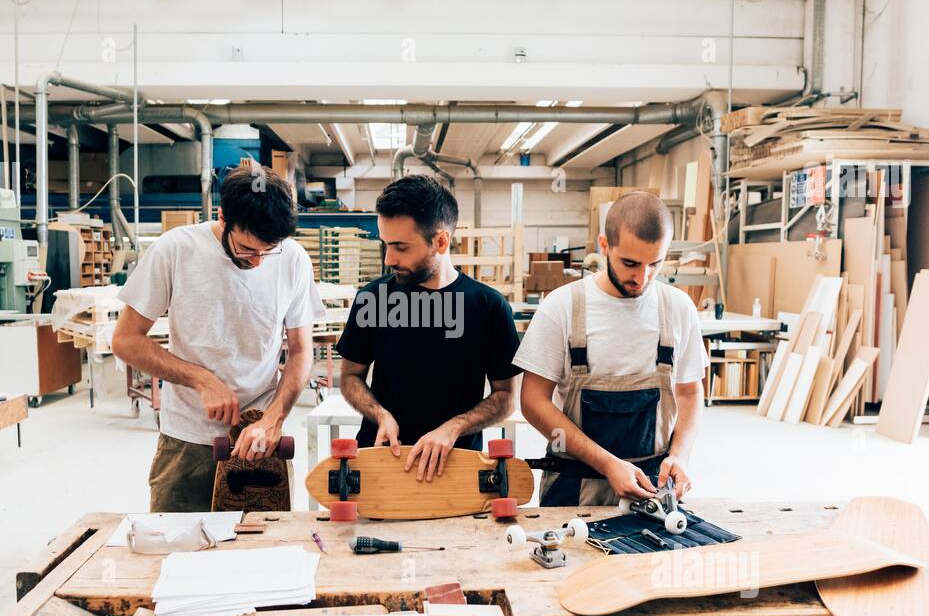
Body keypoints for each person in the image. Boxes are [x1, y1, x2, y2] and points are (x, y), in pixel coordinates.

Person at [112, 164, 325, 513]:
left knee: (263, 554)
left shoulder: (294, 260)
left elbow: (301, 353)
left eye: (266, 251)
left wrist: (274, 418)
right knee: (176, 551)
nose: (257, 263)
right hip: (188, 442)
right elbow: (125, 340)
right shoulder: (176, 250)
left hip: (260, 439)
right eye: (246, 250)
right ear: (222, 217)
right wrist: (201, 379)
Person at [515, 190, 706, 505]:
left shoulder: (678, 308)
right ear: (604, 245)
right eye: (630, 263)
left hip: (652, 488)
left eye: (654, 264)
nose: (641, 278)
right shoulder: (562, 307)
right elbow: (533, 402)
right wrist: (607, 464)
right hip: (574, 486)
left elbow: (689, 392)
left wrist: (681, 455)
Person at [337, 175, 521, 481]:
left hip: (457, 466)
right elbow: (349, 376)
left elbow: (506, 396)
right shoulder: (372, 299)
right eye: (386, 245)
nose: (389, 259)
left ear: (440, 241)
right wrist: (380, 414)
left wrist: (453, 428)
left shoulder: (488, 307)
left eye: (400, 247)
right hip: (382, 461)